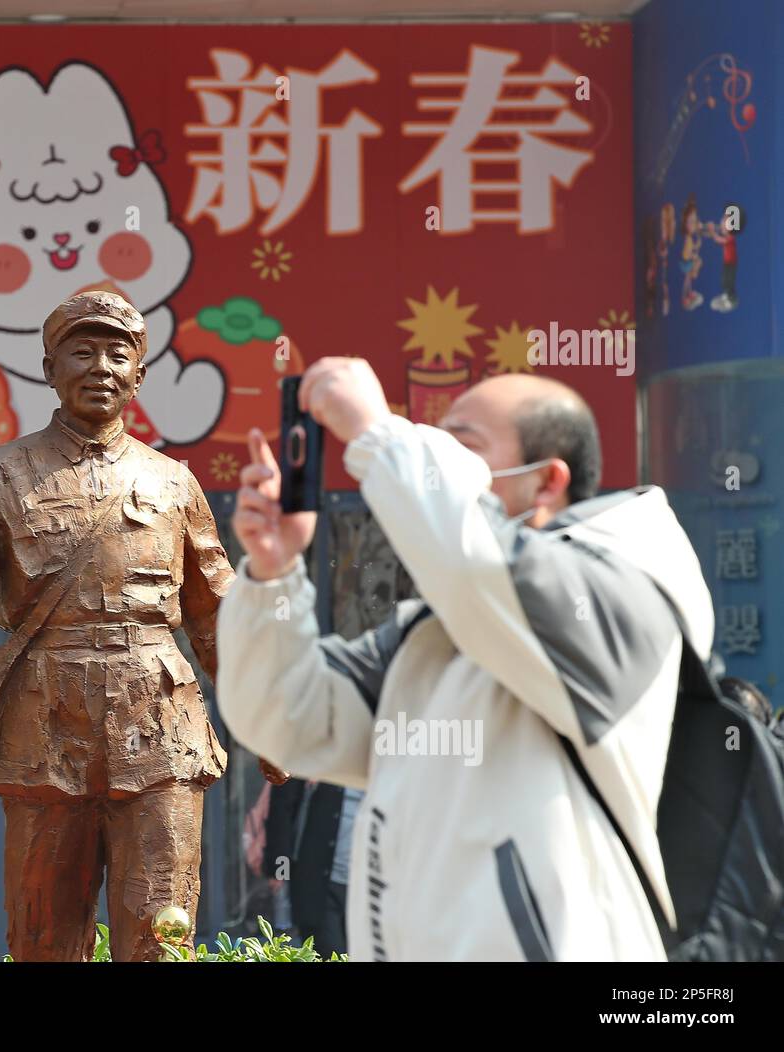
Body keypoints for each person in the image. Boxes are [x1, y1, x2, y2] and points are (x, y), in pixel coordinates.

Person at [216, 359, 714, 961]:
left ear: (547, 481)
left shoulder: (622, 588)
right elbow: (288, 719)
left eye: (461, 444)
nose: (437, 457)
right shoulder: (439, 631)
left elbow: (477, 565)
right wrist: (274, 575)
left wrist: (376, 432)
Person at [0, 291, 237, 962]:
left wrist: (270, 713)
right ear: (49, 368)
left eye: (119, 355)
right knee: (45, 928)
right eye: (81, 352)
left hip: (160, 716)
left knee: (163, 925)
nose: (101, 367)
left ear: (139, 376)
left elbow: (214, 611)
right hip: (46, 717)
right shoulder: (3, 473)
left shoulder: (173, 481)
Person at [266, 778, 360, 956]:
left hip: (367, 885)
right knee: (328, 952)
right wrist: (279, 871)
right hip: (317, 886)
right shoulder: (313, 760)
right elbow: (282, 810)